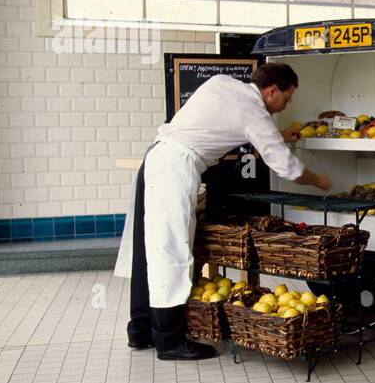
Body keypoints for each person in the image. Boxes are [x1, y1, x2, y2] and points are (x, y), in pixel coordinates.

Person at [114, 63, 331, 360]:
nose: (286, 105)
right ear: (272, 91)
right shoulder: (254, 112)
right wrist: (319, 180)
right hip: (176, 168)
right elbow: (287, 167)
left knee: (147, 250)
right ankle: (169, 342)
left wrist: (278, 135)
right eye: (287, 97)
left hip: (156, 157)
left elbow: (223, 127)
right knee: (171, 250)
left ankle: (140, 331)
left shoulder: (222, 83)